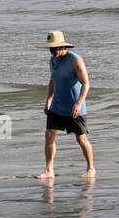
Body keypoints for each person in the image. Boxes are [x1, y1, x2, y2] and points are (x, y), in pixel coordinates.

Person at [35, 31, 94, 180]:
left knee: (81, 138)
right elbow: (52, 80)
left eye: (54, 48)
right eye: (50, 48)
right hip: (57, 105)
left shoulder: (75, 60)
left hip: (74, 106)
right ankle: (49, 170)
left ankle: (91, 168)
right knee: (49, 134)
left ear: (62, 46)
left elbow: (86, 84)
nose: (52, 51)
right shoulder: (53, 59)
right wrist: (49, 99)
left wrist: (79, 103)